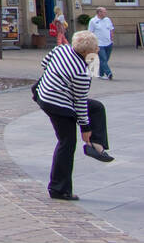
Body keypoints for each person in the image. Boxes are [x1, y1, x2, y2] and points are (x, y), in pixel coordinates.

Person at [34, 30, 113, 201]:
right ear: (86, 52)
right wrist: (85, 129)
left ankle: (97, 144)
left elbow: (44, 63)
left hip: (44, 92)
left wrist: (58, 78)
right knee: (67, 143)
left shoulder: (61, 49)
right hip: (57, 104)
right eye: (95, 48)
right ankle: (58, 189)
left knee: (97, 107)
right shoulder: (80, 74)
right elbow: (80, 102)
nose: (98, 49)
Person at [88, 7, 114, 80]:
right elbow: (90, 32)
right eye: (104, 12)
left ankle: (101, 74)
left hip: (108, 43)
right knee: (103, 59)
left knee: (106, 59)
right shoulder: (93, 21)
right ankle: (109, 73)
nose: (105, 13)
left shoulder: (107, 19)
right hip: (99, 44)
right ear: (99, 13)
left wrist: (112, 38)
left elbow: (111, 29)